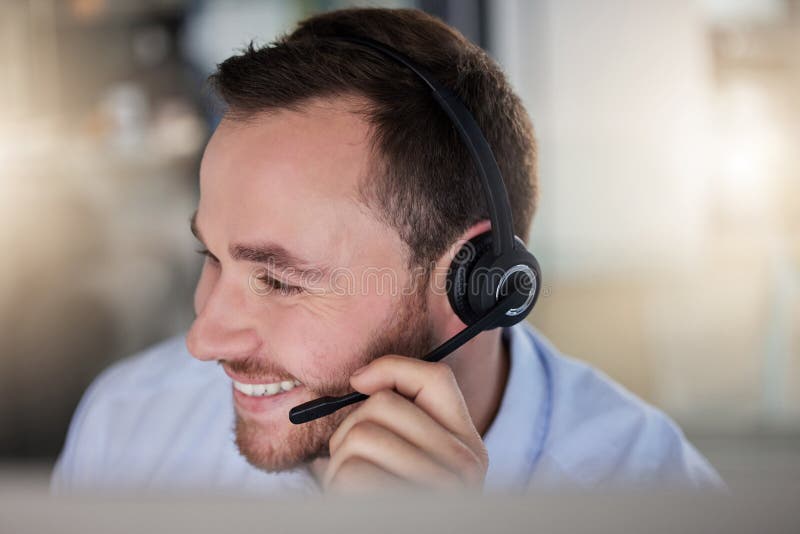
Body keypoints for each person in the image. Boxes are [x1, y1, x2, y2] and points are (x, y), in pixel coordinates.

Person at [51, 7, 722, 495]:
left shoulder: (653, 492)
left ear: (474, 283)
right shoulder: (129, 422)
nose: (204, 339)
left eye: (279, 280)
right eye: (214, 259)